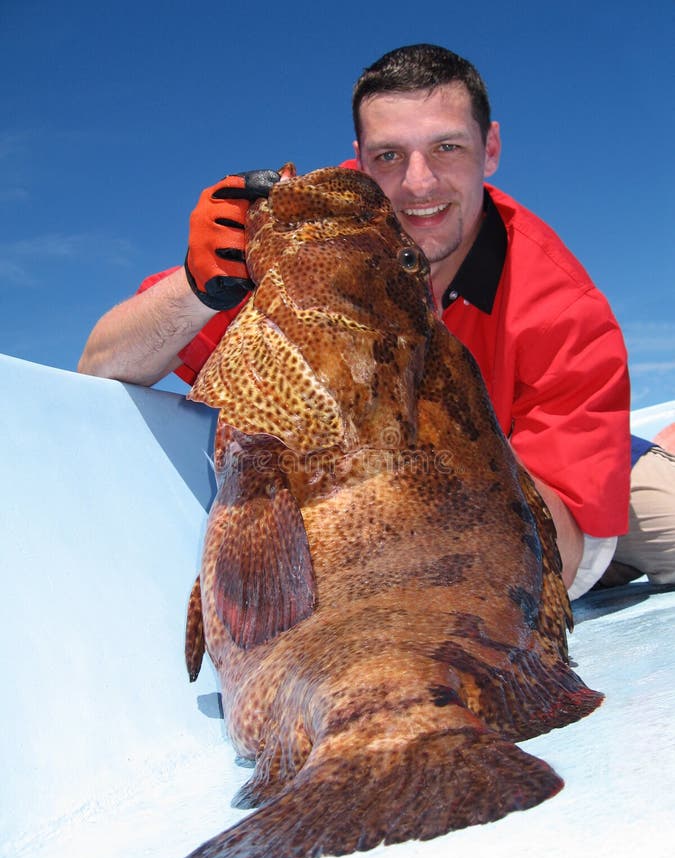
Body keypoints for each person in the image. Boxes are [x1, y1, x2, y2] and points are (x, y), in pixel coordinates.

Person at [78, 44, 674, 597]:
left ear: (490, 149)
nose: (418, 184)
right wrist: (198, 286)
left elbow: (568, 553)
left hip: (564, 478)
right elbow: (100, 367)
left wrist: (440, 442)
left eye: (447, 147)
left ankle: (657, 453)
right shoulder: (306, 242)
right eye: (389, 156)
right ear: (361, 159)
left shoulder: (563, 309)